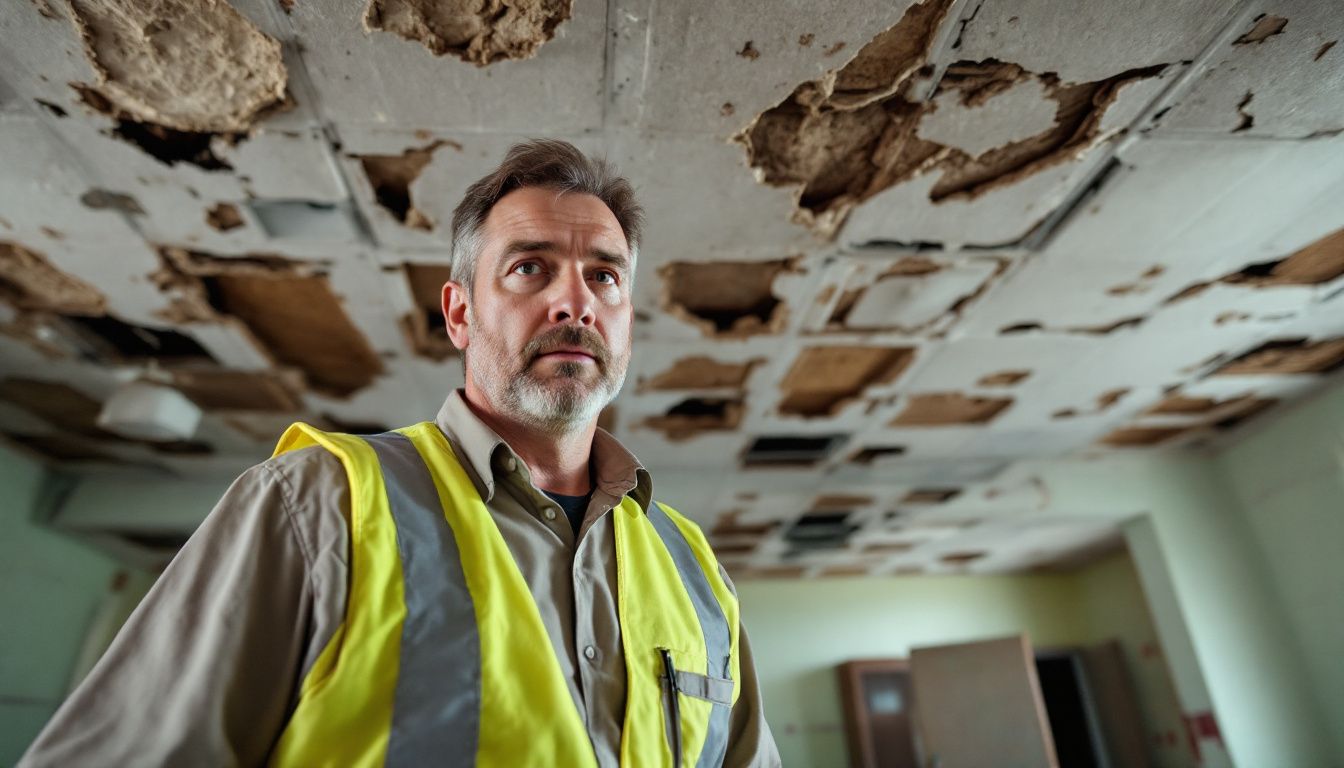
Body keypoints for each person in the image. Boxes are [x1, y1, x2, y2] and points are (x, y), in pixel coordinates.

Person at [20, 139, 781, 767]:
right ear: (458, 313)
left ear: (624, 323)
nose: (574, 301)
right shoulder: (319, 502)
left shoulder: (693, 566)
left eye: (604, 277)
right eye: (529, 267)